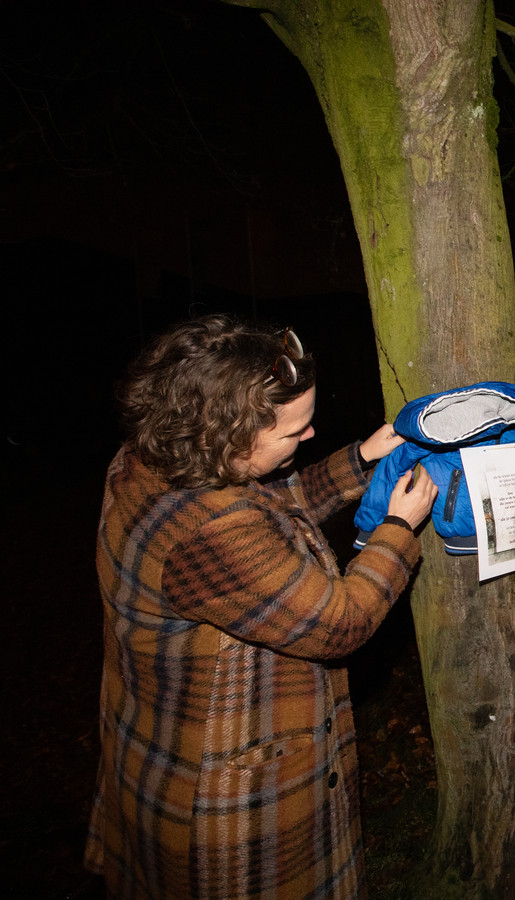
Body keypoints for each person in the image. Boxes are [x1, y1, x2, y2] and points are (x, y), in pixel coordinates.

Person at [85, 315, 438, 899]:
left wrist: (361, 458)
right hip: (224, 798)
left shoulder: (148, 461)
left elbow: (269, 503)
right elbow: (339, 622)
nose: (309, 435)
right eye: (293, 431)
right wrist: (398, 530)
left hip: (152, 747)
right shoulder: (208, 532)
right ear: (227, 434)